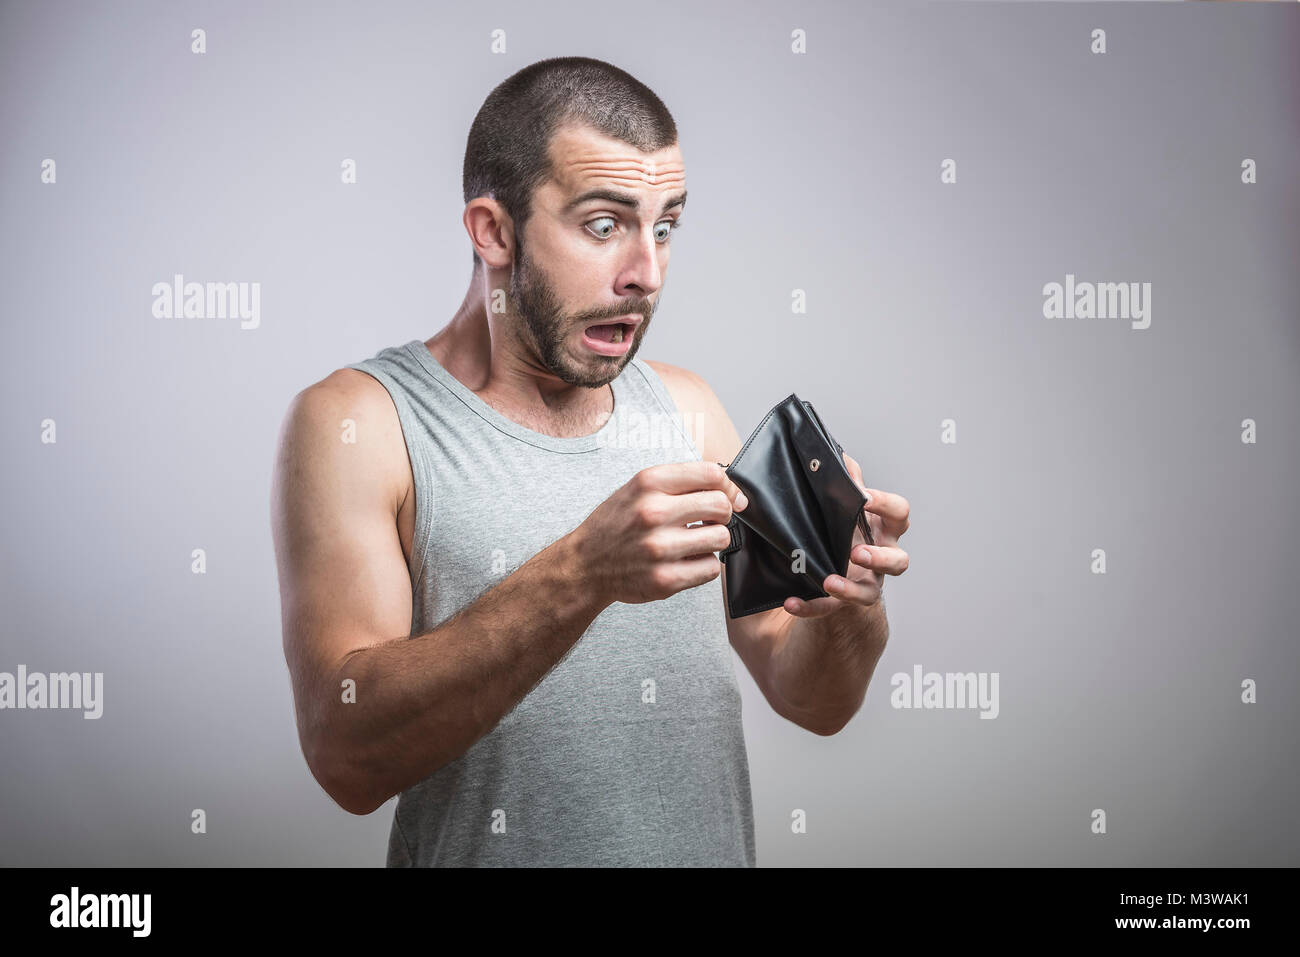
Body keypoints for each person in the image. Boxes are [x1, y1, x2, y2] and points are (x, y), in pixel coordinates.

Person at [270, 56, 911, 867]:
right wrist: (581, 572)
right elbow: (344, 754)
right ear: (493, 229)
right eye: (604, 225)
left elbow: (812, 697)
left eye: (667, 225)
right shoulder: (360, 422)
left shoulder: (687, 411)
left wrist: (851, 600)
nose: (646, 272)